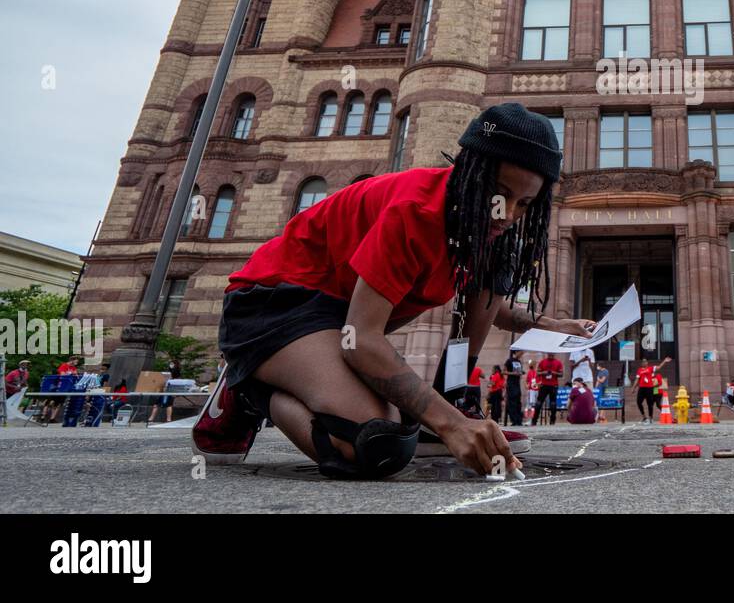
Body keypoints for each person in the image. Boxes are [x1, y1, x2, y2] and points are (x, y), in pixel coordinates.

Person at [191, 103, 595, 480]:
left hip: (341, 318)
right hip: (274, 304)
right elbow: (360, 341)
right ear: (470, 171)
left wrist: (549, 323)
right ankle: (248, 390)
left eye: (524, 203)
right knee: (377, 444)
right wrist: (448, 424)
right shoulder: (415, 211)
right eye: (500, 193)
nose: (507, 214)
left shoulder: (491, 229)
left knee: (408, 416)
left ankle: (454, 395)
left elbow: (488, 304)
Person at [635, 356, 672, 422]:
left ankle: (655, 416)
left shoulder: (654, 372)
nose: (644, 363)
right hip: (646, 389)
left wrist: (664, 361)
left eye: (645, 361)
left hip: (654, 391)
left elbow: (659, 368)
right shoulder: (641, 371)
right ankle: (645, 417)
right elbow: (638, 379)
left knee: (654, 404)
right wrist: (634, 387)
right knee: (641, 402)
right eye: (643, 362)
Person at [533, 352, 564, 426]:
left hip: (553, 385)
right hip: (544, 385)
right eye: (550, 354)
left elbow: (561, 374)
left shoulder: (558, 362)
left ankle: (552, 420)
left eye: (552, 354)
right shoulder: (542, 362)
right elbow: (538, 373)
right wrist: (545, 372)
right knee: (539, 403)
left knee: (553, 403)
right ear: (547, 354)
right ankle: (534, 420)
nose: (551, 355)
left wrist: (553, 373)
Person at [504, 350, 525, 427]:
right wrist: (513, 373)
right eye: (521, 352)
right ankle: (514, 420)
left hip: (517, 384)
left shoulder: (519, 361)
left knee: (518, 402)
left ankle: (519, 420)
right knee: (511, 402)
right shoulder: (509, 361)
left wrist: (521, 372)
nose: (522, 354)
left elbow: (519, 371)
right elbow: (504, 371)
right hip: (511, 384)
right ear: (516, 352)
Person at [524, 358, 538, 423]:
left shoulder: (537, 372)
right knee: (529, 405)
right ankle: (528, 419)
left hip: (536, 390)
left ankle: (532, 419)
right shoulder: (529, 372)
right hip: (531, 390)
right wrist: (527, 385)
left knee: (533, 405)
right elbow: (527, 381)